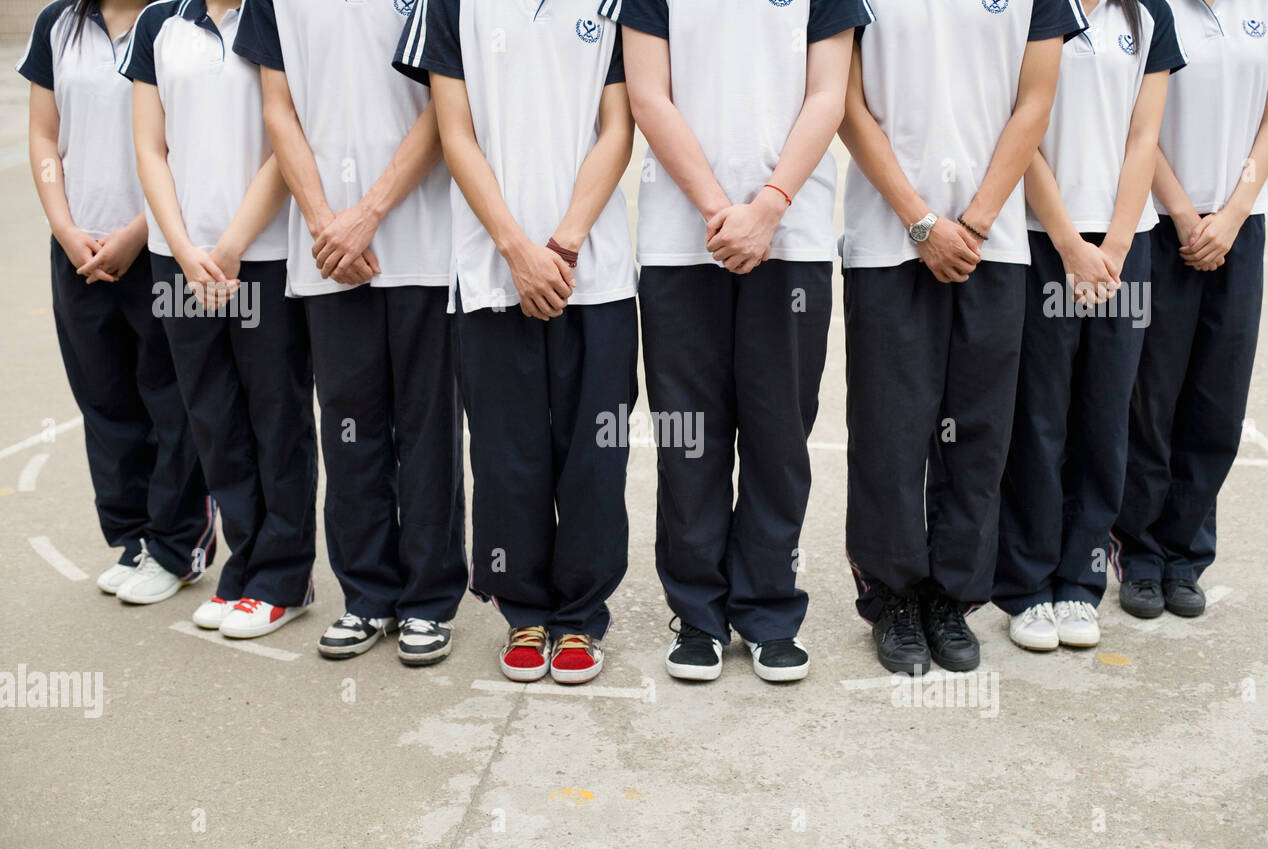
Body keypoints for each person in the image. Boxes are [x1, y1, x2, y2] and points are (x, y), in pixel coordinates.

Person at [605, 0, 871, 683]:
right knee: (690, 435)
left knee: (779, 435)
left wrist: (770, 205)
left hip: (793, 237)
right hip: (680, 237)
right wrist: (721, 210)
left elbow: (826, 94)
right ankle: (698, 614)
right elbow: (648, 94)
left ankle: (769, 609)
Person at [839, 0, 1088, 675]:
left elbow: (1034, 102)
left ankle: (951, 596)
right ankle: (893, 596)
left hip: (993, 245)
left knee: (977, 433)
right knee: (890, 430)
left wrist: (974, 223)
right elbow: (847, 102)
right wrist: (920, 221)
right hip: (888, 242)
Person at [396, 0, 638, 685]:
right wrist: (514, 247)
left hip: (593, 273)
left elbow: (616, 128)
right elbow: (455, 133)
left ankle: (583, 619)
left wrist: (562, 243)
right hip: (492, 272)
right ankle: (525, 612)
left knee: (594, 458)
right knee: (507, 459)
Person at [234, 0, 467, 664]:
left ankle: (427, 600)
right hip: (326, 249)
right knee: (349, 426)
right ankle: (366, 596)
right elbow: (278, 108)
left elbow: (447, 103)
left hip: (421, 238)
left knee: (428, 429)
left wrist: (368, 212)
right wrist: (323, 221)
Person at [123, 0, 317, 639]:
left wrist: (230, 244)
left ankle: (284, 577)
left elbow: (284, 138)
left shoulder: (274, 17)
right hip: (176, 260)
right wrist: (182, 248)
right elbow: (152, 148)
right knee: (212, 416)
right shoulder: (160, 22)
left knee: (275, 415)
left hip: (258, 257)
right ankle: (243, 570)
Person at [995, 0, 1185, 652]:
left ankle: (1081, 581)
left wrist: (1117, 247)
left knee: (1105, 421)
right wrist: (1072, 244)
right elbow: (1023, 128)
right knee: (1040, 420)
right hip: (1045, 239)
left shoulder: (1149, 17)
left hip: (1125, 250)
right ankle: (1025, 585)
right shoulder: (1040, 11)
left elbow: (1143, 138)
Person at [18, 0, 213, 607]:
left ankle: (177, 543)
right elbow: (44, 135)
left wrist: (136, 233)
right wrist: (64, 227)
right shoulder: (58, 22)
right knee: (103, 400)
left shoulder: (172, 21)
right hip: (78, 249)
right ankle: (133, 538)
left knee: (171, 398)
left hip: (156, 246)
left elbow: (181, 141)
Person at [1114, 0, 1268, 620]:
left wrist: (1233, 215)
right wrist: (1189, 215)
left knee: (1218, 402)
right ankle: (1137, 553)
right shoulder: (1149, 7)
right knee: (1152, 400)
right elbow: (1138, 121)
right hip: (1163, 224)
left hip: (1239, 229)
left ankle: (1185, 554)